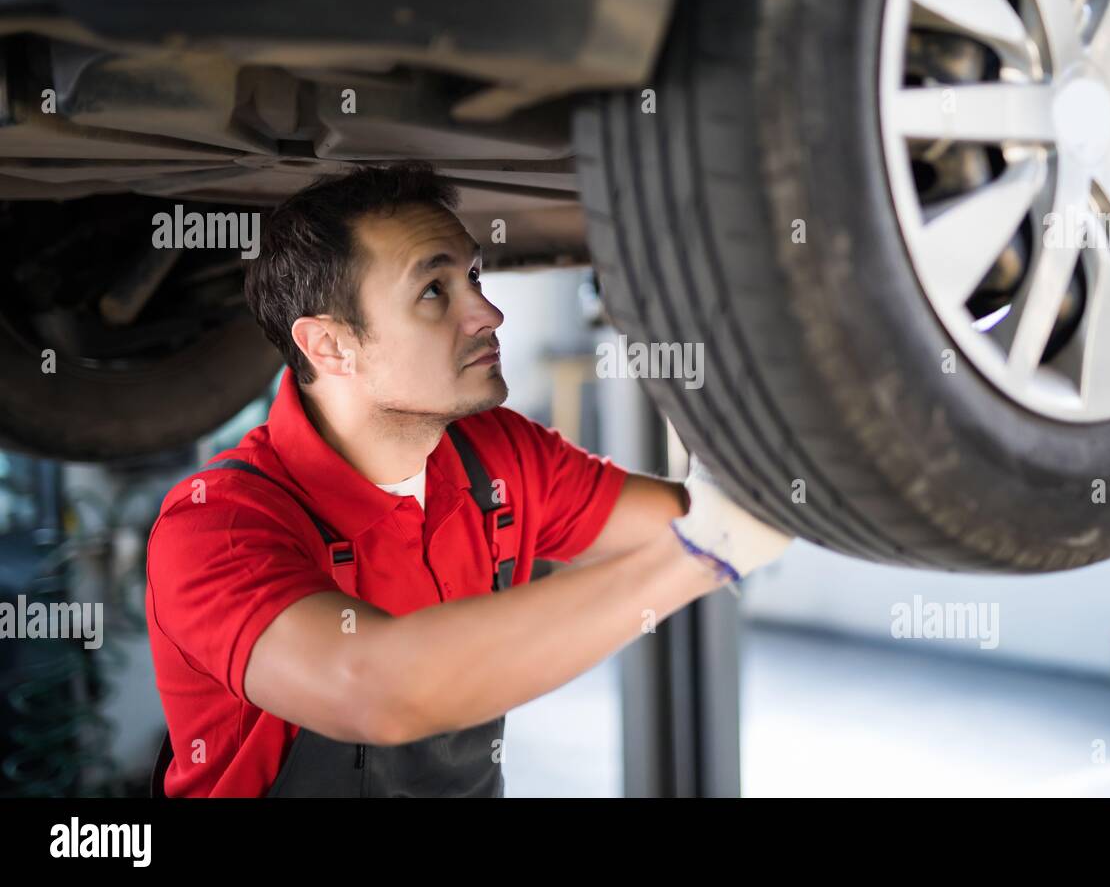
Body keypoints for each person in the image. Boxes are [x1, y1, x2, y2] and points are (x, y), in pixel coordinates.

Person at [144, 163, 792, 796]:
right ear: (330, 346)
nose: (488, 314)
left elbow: (700, 515)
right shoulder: (218, 525)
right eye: (434, 291)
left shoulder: (497, 455)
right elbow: (373, 691)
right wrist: (707, 548)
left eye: (475, 275)